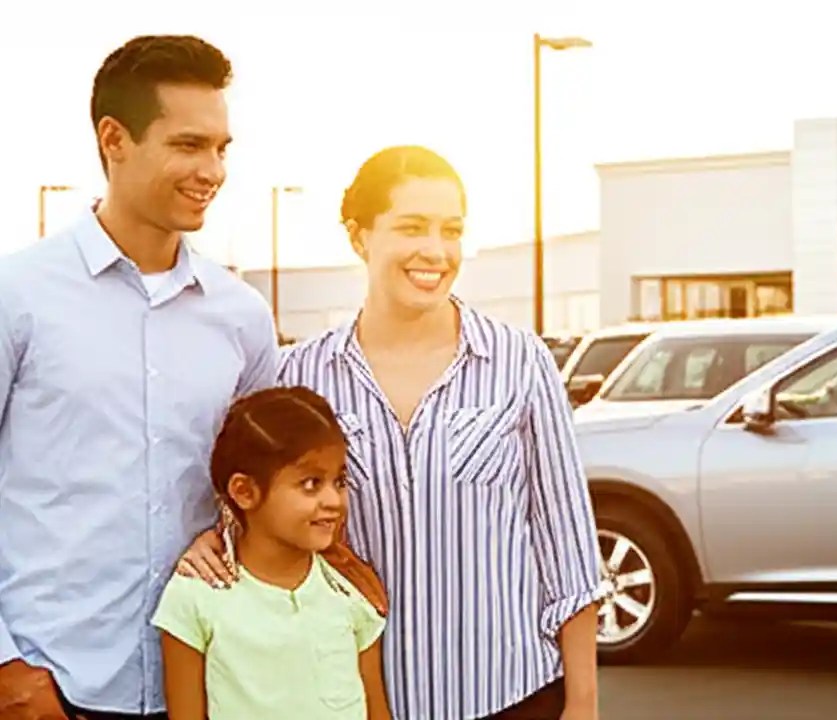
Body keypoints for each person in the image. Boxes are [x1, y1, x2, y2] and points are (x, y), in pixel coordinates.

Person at [181, 145, 605, 719]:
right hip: (356, 701)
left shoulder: (520, 361)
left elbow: (569, 551)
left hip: (510, 694)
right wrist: (214, 538)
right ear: (359, 237)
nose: (435, 250)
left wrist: (583, 704)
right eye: (411, 227)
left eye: (450, 230)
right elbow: (254, 515)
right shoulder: (301, 374)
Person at [0, 35, 279, 720]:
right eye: (188, 145)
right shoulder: (19, 295)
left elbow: (264, 493)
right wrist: (6, 666)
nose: (211, 169)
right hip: (52, 690)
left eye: (221, 148)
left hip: (205, 687)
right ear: (114, 139)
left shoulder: (242, 317)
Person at [151, 386, 392, 720]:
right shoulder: (194, 597)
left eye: (339, 481)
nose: (334, 501)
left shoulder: (352, 591)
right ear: (244, 492)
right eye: (310, 483)